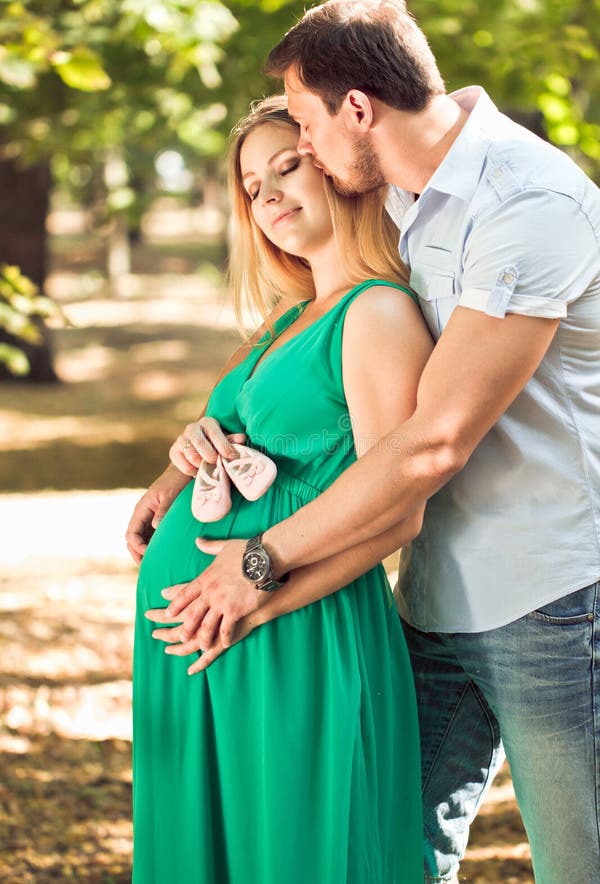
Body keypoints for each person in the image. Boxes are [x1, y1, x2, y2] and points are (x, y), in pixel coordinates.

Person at [127, 0, 600, 884]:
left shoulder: (527, 203)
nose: (299, 148)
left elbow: (430, 445)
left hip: (545, 599)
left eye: (303, 123)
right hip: (430, 601)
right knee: (380, 855)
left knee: (580, 862)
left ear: (357, 110)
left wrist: (257, 567)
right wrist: (187, 464)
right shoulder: (408, 202)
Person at [131, 93, 434, 883]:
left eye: (286, 167)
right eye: (251, 187)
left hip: (291, 628)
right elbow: (234, 430)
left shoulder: (377, 312)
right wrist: (179, 463)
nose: (268, 196)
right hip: (211, 631)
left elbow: (395, 509)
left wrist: (256, 591)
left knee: (296, 853)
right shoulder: (288, 320)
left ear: (335, 166)